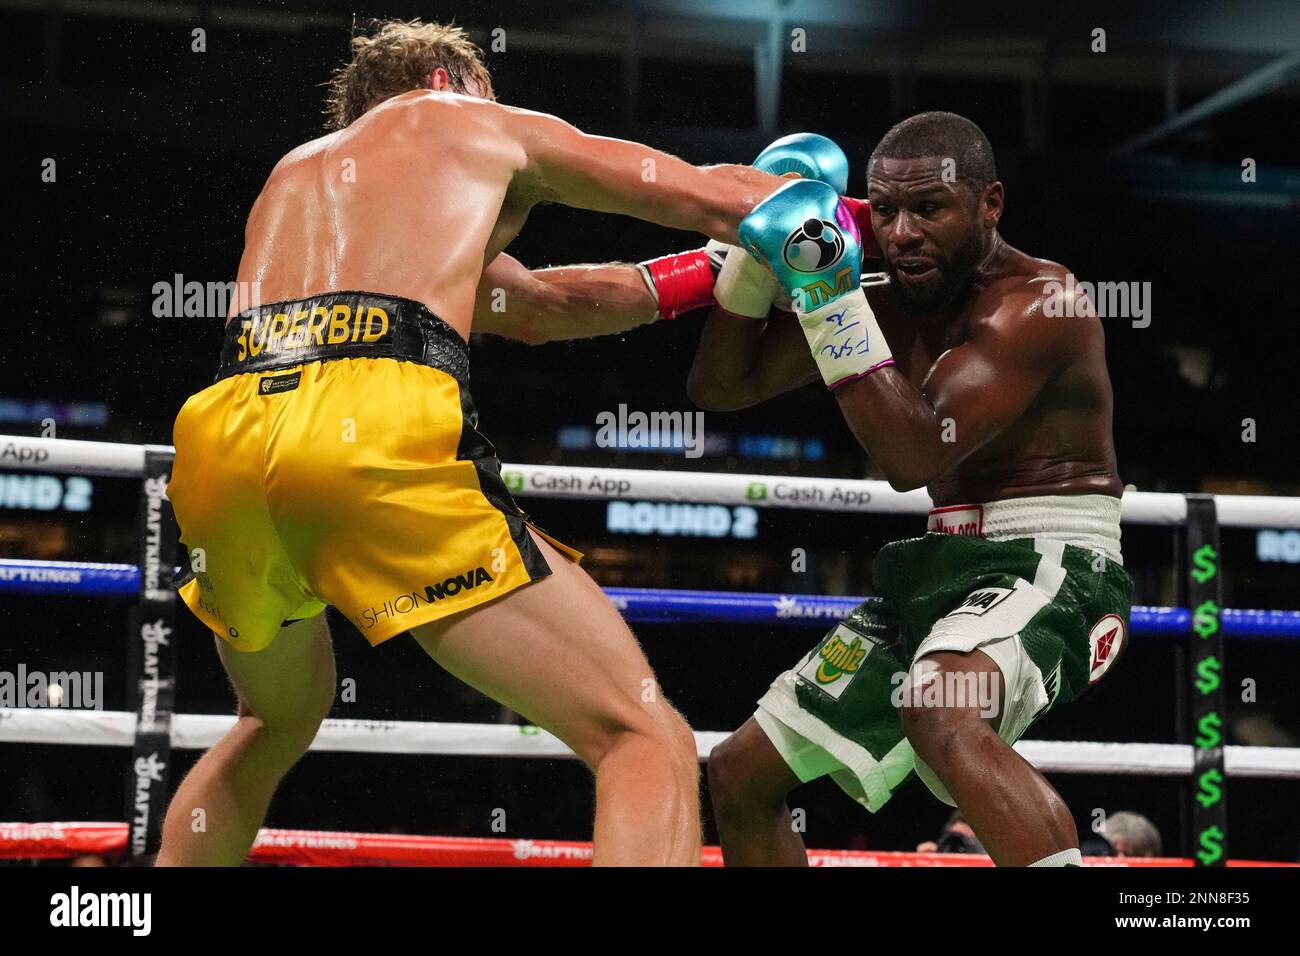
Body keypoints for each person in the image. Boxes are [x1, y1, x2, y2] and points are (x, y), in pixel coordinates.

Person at [156, 18, 789, 867]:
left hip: (222, 436)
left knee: (268, 722)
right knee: (644, 736)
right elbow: (710, 194)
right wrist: (835, 212)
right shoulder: (468, 122)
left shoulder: (297, 174)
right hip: (367, 424)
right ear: (454, 83)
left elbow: (533, 308)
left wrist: (704, 275)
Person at [693, 112, 1135, 867]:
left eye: (929, 208)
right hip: (939, 567)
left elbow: (914, 455)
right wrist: (752, 260)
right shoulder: (887, 302)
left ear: (989, 204)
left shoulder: (1040, 301)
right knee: (741, 775)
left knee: (940, 708)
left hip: (1055, 563)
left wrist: (826, 295)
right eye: (886, 211)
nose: (901, 233)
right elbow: (719, 387)